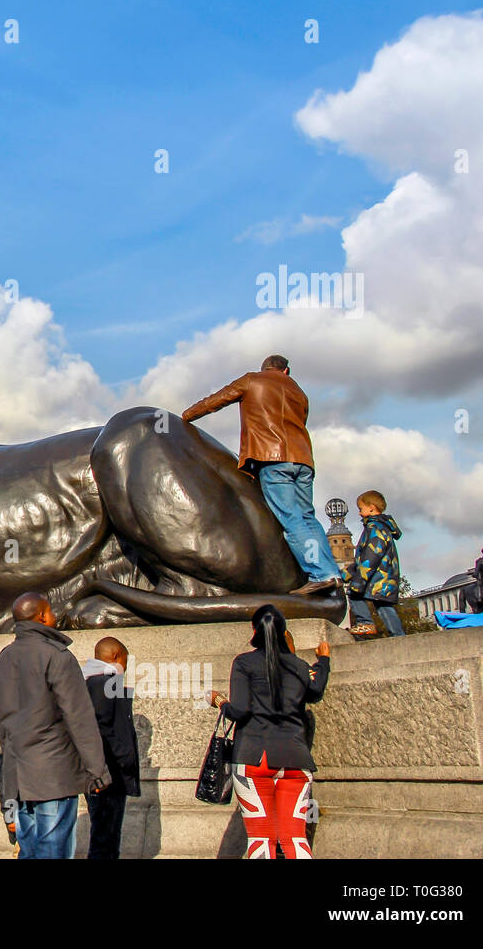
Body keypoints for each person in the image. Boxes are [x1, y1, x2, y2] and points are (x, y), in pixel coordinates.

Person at [182, 355, 342, 595]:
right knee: (307, 516)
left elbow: (216, 400)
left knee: (291, 519)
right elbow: (300, 423)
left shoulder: (251, 380)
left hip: (272, 459)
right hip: (303, 460)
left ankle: (320, 574)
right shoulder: (299, 392)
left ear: (265, 368)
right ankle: (331, 573)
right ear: (286, 371)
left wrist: (185, 416)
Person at [0, 592, 109, 859]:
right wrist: (97, 770)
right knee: (53, 851)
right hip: (54, 774)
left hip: (18, 775)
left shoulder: (1, 661)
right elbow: (79, 718)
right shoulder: (57, 657)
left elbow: (2, 724)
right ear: (43, 616)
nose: (55, 616)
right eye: (51, 611)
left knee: (30, 851)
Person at [209, 605, 331, 859]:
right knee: (295, 838)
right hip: (295, 759)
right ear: (283, 632)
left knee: (261, 839)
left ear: (254, 631)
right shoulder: (299, 665)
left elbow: (240, 711)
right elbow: (316, 690)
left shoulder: (244, 663)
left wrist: (220, 701)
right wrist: (324, 661)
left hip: (254, 758)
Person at [80, 637, 140, 859]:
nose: (125, 668)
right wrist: (124, 756)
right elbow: (101, 725)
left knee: (104, 837)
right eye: (125, 661)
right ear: (116, 656)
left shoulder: (89, 681)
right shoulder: (105, 681)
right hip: (108, 774)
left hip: (101, 773)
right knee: (105, 841)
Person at [344, 490, 405, 639]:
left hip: (377, 576)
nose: (359, 513)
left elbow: (371, 555)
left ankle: (365, 623)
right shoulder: (381, 527)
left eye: (361, 509)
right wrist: (346, 574)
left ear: (371, 508)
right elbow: (362, 559)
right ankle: (398, 635)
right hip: (384, 576)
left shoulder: (375, 528)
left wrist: (359, 578)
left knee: (354, 593)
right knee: (383, 605)